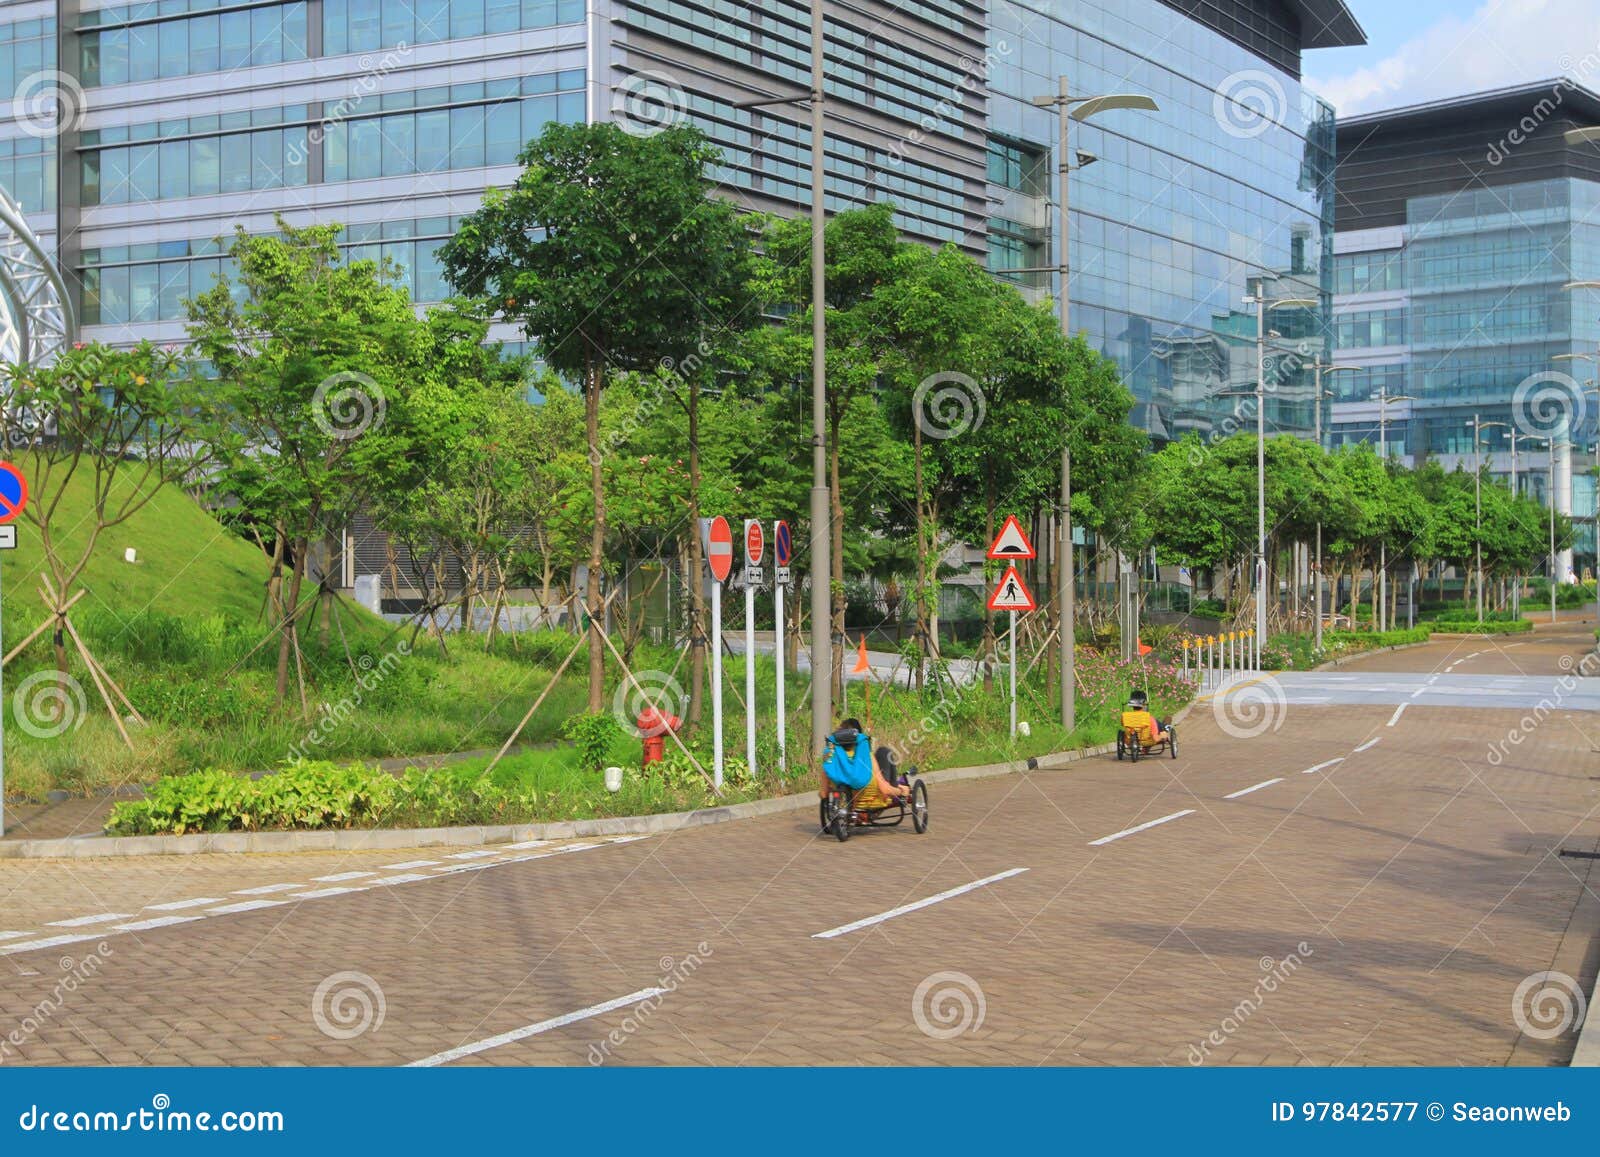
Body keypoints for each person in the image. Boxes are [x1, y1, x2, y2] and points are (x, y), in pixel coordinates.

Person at [820, 717, 909, 806]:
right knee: (883, 752)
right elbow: (884, 790)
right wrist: (901, 791)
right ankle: (898, 786)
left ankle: (898, 785)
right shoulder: (866, 756)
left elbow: (823, 793)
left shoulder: (831, 760)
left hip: (848, 807)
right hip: (873, 802)